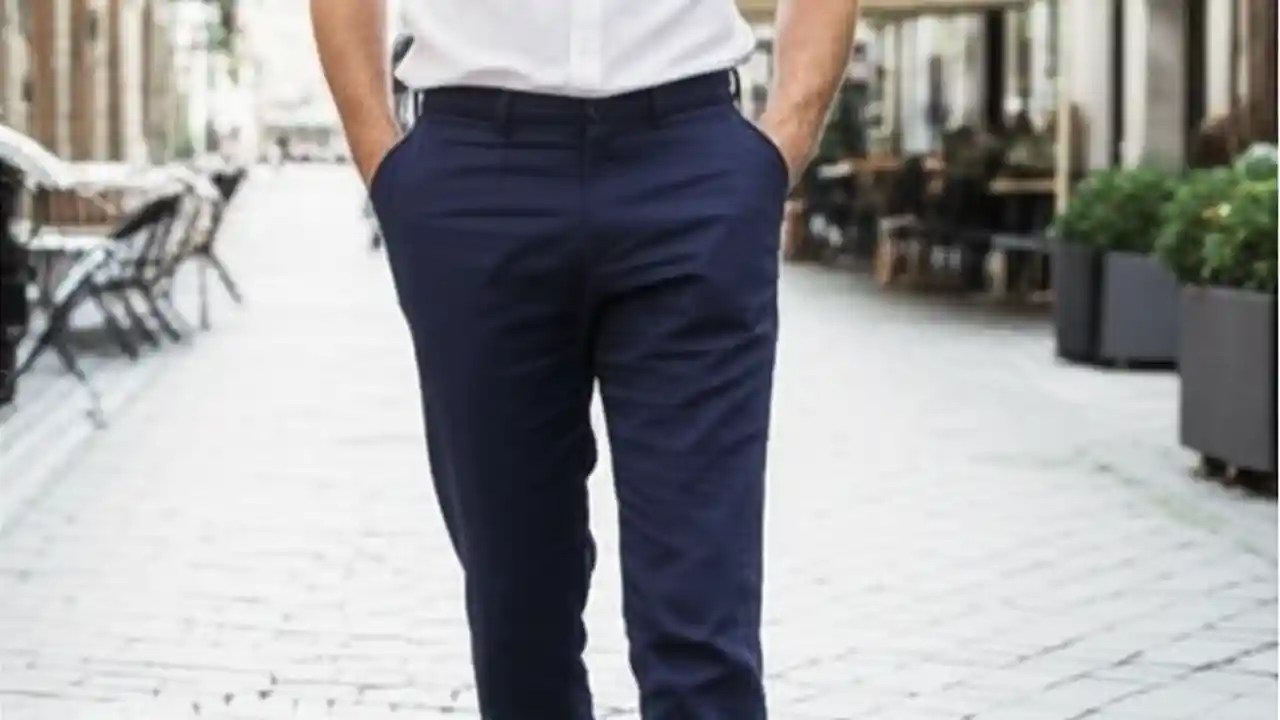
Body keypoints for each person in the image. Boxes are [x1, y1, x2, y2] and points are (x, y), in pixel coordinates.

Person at [312, 0, 860, 716]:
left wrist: (781, 140)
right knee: (517, 614)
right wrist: (384, 163)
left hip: (690, 164)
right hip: (475, 171)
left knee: (702, 620)